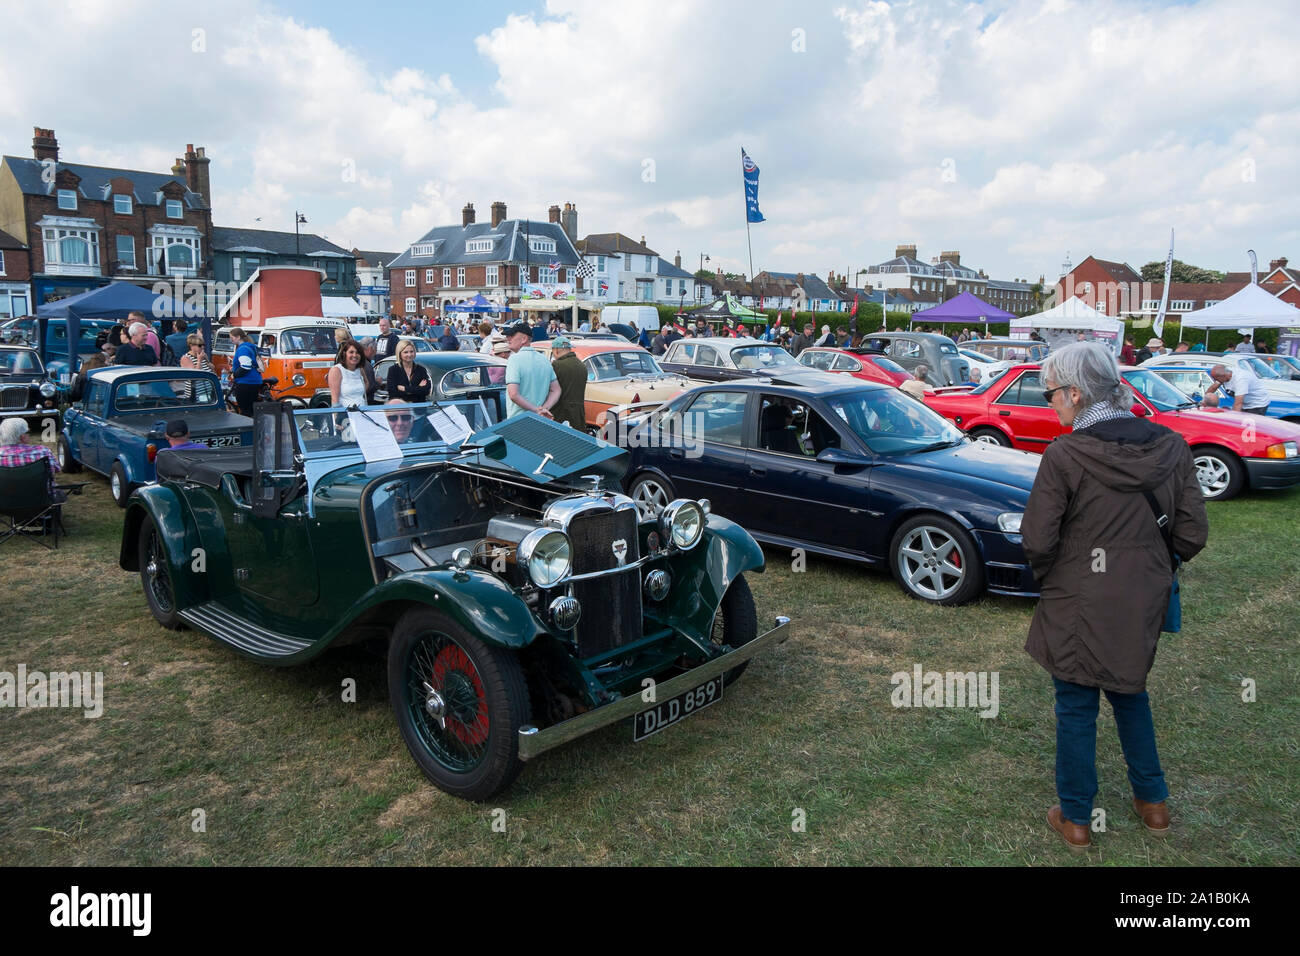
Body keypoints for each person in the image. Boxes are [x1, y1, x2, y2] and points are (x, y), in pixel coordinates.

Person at [1023, 342, 1208, 851]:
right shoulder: (1171, 446)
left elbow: (1037, 540)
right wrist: (1148, 567)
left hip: (1079, 597)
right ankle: (1154, 805)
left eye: (1051, 394)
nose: (1049, 404)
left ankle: (1078, 817)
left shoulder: (1066, 455)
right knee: (1130, 692)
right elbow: (1191, 535)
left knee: (1078, 703)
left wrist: (1058, 577)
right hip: (1138, 594)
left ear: (1077, 394)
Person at [0, 416, 65, 501]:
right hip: (41, 500)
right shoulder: (43, 452)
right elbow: (57, 469)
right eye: (28, 432)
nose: (29, 434)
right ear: (22, 436)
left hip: (6, 503)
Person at [503, 322, 559, 419]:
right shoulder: (544, 359)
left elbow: (513, 394)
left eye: (511, 335)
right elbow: (556, 390)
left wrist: (537, 410)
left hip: (518, 420)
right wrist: (543, 409)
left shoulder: (514, 359)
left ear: (524, 339)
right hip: (540, 419)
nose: (508, 338)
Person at [549, 335, 587, 430]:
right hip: (579, 415)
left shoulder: (556, 366)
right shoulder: (582, 366)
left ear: (556, 350)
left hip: (560, 415)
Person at [1204, 362, 1270, 414]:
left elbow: (1238, 403)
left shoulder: (1240, 380)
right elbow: (1213, 388)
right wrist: (1203, 401)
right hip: (1245, 403)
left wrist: (1234, 419)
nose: (1215, 381)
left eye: (1215, 379)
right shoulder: (1224, 375)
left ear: (1223, 376)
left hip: (1257, 404)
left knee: (1249, 425)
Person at [327, 339, 375, 408]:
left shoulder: (360, 369)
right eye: (351, 352)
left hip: (362, 412)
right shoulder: (336, 370)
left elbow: (366, 383)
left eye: (357, 352)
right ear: (344, 353)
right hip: (345, 415)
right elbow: (335, 400)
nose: (355, 355)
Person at [227, 328, 263, 416]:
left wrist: (234, 375)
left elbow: (245, 366)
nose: (231, 340)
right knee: (251, 410)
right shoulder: (252, 346)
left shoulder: (242, 349)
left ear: (238, 337)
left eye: (232, 338)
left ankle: (249, 428)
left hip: (245, 383)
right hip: (255, 380)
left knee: (245, 411)